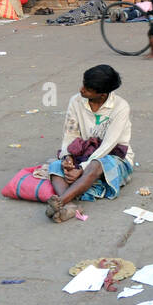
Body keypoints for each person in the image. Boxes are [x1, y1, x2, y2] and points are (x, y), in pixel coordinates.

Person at [44, 64, 133, 223]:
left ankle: (60, 201)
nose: (81, 89)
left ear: (102, 94)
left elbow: (109, 144)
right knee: (56, 166)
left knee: (97, 164)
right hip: (84, 154)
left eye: (88, 88)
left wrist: (82, 169)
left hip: (113, 157)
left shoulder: (121, 107)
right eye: (83, 84)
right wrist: (68, 158)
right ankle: (70, 205)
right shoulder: (76, 101)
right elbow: (70, 133)